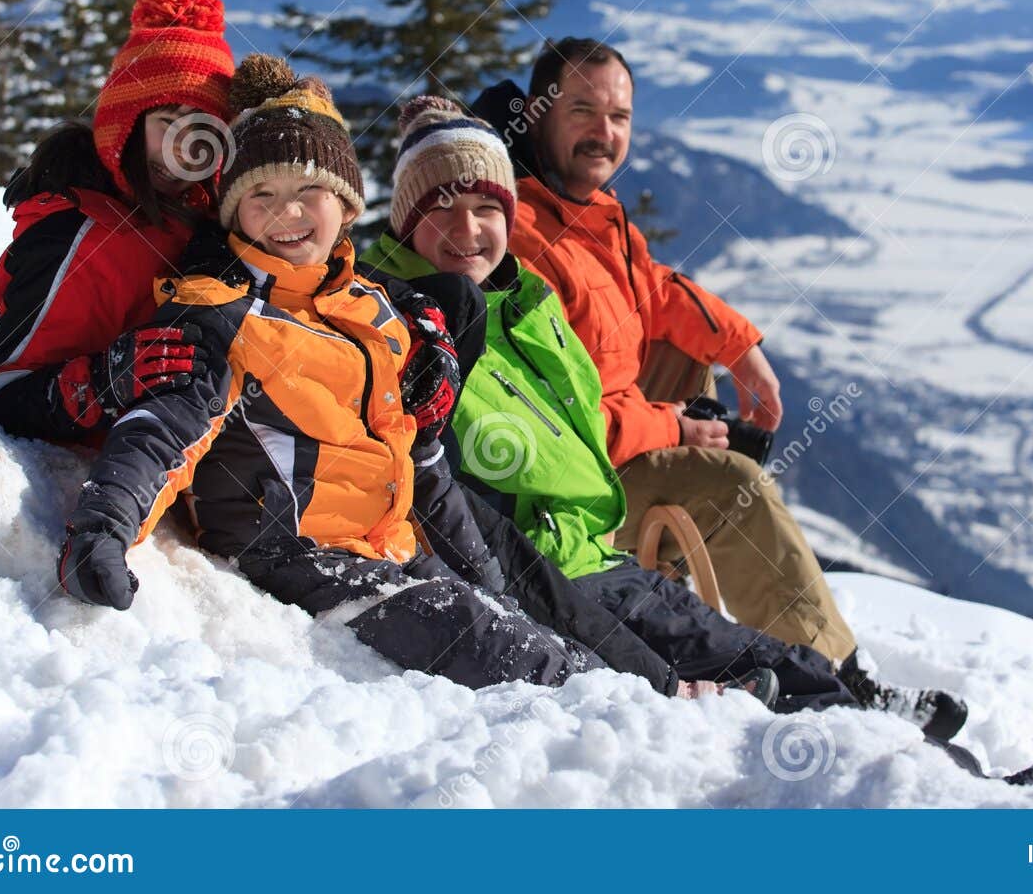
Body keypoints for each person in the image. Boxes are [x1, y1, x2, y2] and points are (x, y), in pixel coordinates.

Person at [362, 96, 1033, 780]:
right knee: (763, 685)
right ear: (403, 222)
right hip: (558, 575)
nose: (467, 230)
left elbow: (636, 319)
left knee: (775, 662)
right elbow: (451, 493)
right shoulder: (417, 324)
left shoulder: (526, 296)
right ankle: (937, 784)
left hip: (594, 549)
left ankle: (938, 764)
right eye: (441, 208)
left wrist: (735, 346)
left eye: (486, 206)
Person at [52, 55, 756, 699]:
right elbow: (159, 433)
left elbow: (425, 469)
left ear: (348, 205)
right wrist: (104, 530)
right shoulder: (222, 318)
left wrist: (486, 577)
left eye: (309, 190)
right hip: (296, 552)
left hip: (384, 540)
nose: (287, 213)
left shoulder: (375, 312)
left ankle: (633, 693)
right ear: (234, 210)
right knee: (474, 628)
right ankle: (619, 705)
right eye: (260, 194)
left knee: (501, 607)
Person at [477, 37, 932, 721]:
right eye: (582, 111)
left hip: (611, 430)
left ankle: (677, 567)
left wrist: (742, 346)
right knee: (737, 487)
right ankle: (839, 682)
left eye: (620, 116)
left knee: (689, 357)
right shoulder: (526, 239)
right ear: (538, 114)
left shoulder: (591, 213)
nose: (605, 133)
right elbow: (560, 424)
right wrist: (679, 427)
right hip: (570, 487)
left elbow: (651, 291)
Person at [0, 0, 234, 444]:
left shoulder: (205, 217)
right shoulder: (76, 239)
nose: (182, 153)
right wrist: (102, 382)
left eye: (203, 131)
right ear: (125, 122)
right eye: (167, 124)